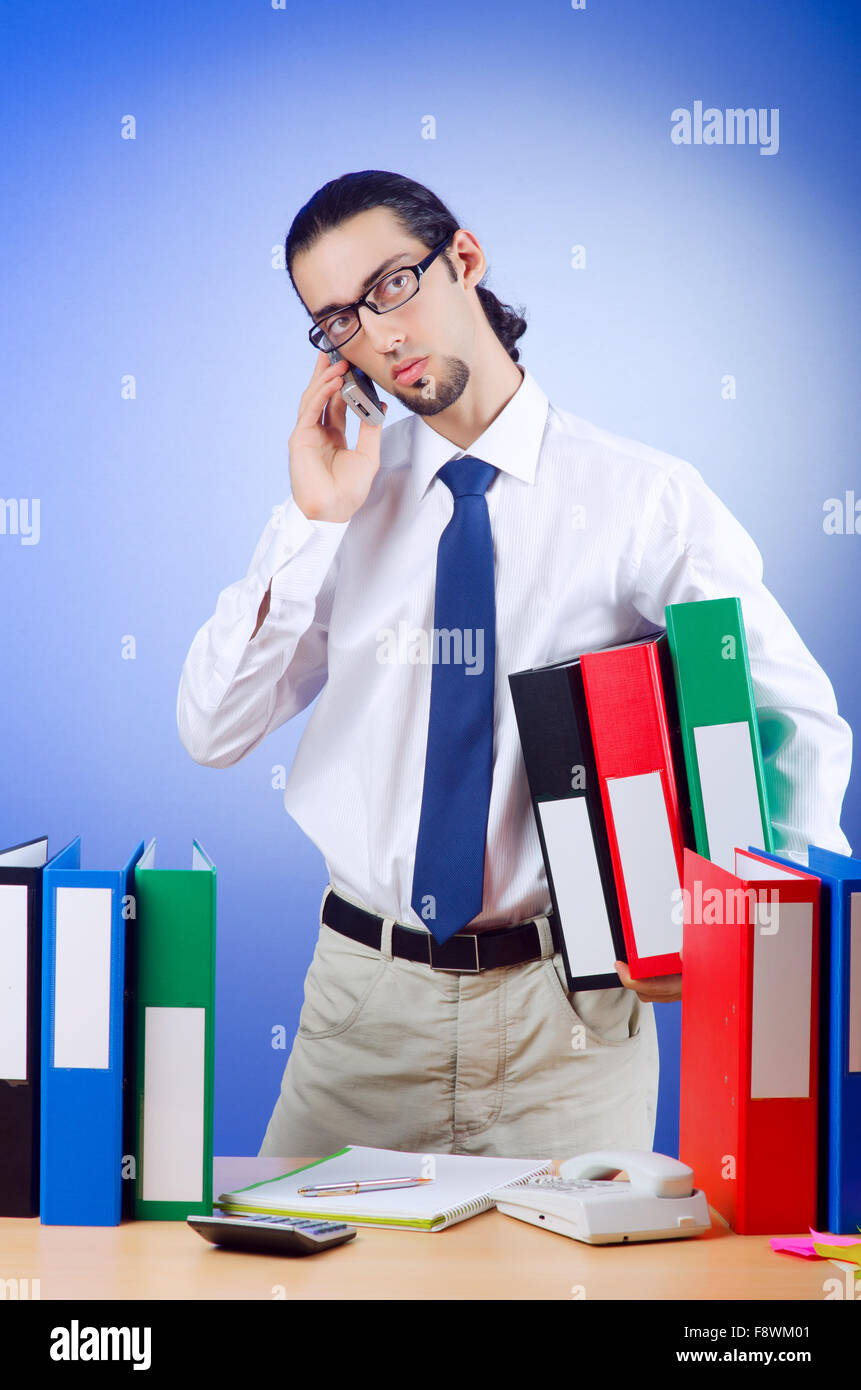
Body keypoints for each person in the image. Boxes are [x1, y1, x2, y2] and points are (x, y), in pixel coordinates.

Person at [176, 169, 853, 1161]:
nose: (381, 334)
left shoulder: (643, 497)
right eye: (338, 320)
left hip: (569, 1017)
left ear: (464, 257)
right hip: (361, 1010)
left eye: (392, 285)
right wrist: (310, 522)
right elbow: (213, 728)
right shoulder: (343, 502)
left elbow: (789, 717)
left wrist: (739, 940)